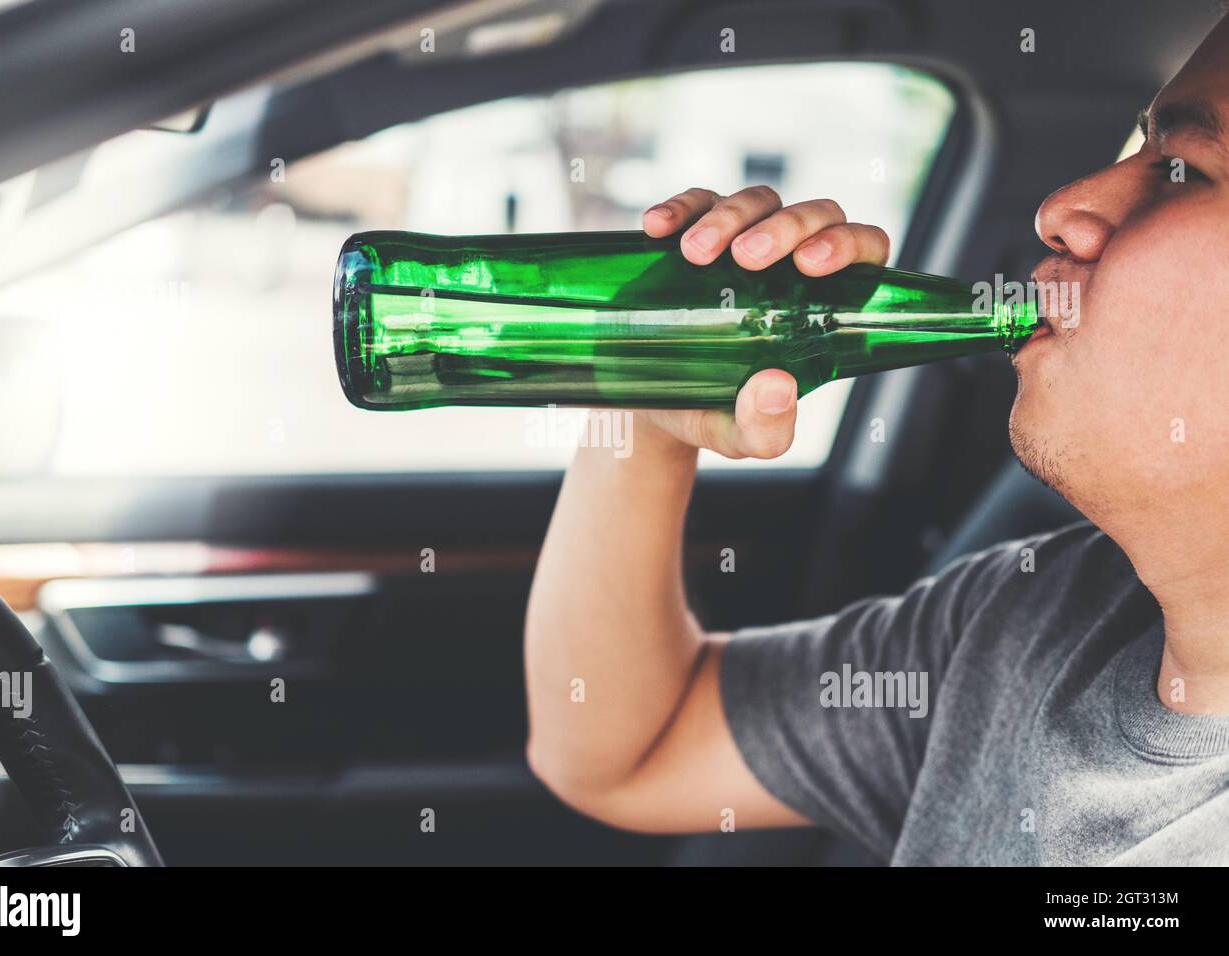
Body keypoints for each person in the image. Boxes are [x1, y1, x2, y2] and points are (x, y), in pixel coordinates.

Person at [523, 13, 1229, 864]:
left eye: (1182, 172)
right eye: (1139, 147)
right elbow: (625, 754)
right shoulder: (1023, 623)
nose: (1059, 210)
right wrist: (649, 406)